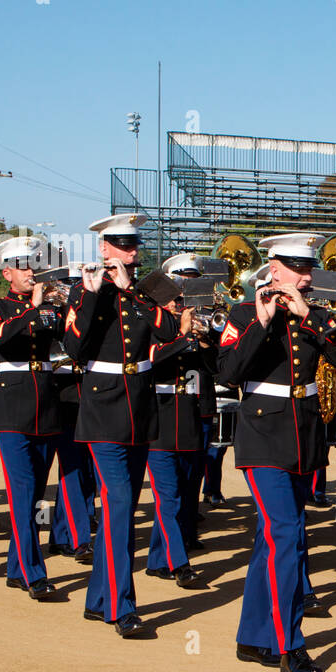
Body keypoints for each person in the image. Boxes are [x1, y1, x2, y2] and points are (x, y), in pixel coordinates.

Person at [217, 232, 336, 672]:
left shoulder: (317, 315)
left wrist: (309, 320)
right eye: (296, 268)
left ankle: (253, 636)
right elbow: (227, 374)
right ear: (273, 269)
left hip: (305, 433)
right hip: (263, 434)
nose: (304, 276)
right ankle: (290, 645)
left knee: (272, 540)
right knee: (288, 535)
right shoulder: (242, 313)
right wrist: (261, 324)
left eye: (308, 269)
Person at [65, 213, 178, 638]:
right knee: (119, 503)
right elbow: (74, 346)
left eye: (134, 244)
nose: (131, 251)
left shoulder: (149, 286)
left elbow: (169, 330)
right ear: (103, 247)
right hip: (103, 403)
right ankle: (119, 604)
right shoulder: (84, 288)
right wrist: (94, 296)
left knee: (123, 506)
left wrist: (137, 293)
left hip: (141, 405)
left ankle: (98, 601)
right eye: (121, 244)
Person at [0, 237, 63, 600]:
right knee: (22, 490)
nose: (33, 272)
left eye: (35, 265)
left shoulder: (50, 306)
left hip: (45, 403)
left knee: (34, 495)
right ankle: (33, 573)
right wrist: (34, 308)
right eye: (25, 267)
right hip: (11, 406)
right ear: (7, 271)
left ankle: (17, 568)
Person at [144, 253, 211, 589]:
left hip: (186, 412)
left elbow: (214, 369)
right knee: (167, 495)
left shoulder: (194, 322)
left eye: (184, 297)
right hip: (156, 413)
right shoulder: (147, 319)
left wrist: (206, 339)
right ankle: (178, 561)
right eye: (175, 295)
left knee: (182, 494)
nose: (180, 302)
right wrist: (184, 337)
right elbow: (150, 360)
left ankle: (158, 560)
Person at [47, 262, 94, 564]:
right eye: (68, 286)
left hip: (87, 395)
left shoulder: (88, 313)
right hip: (62, 397)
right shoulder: (52, 314)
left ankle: (61, 535)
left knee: (82, 471)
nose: (72, 292)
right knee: (73, 468)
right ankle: (78, 538)